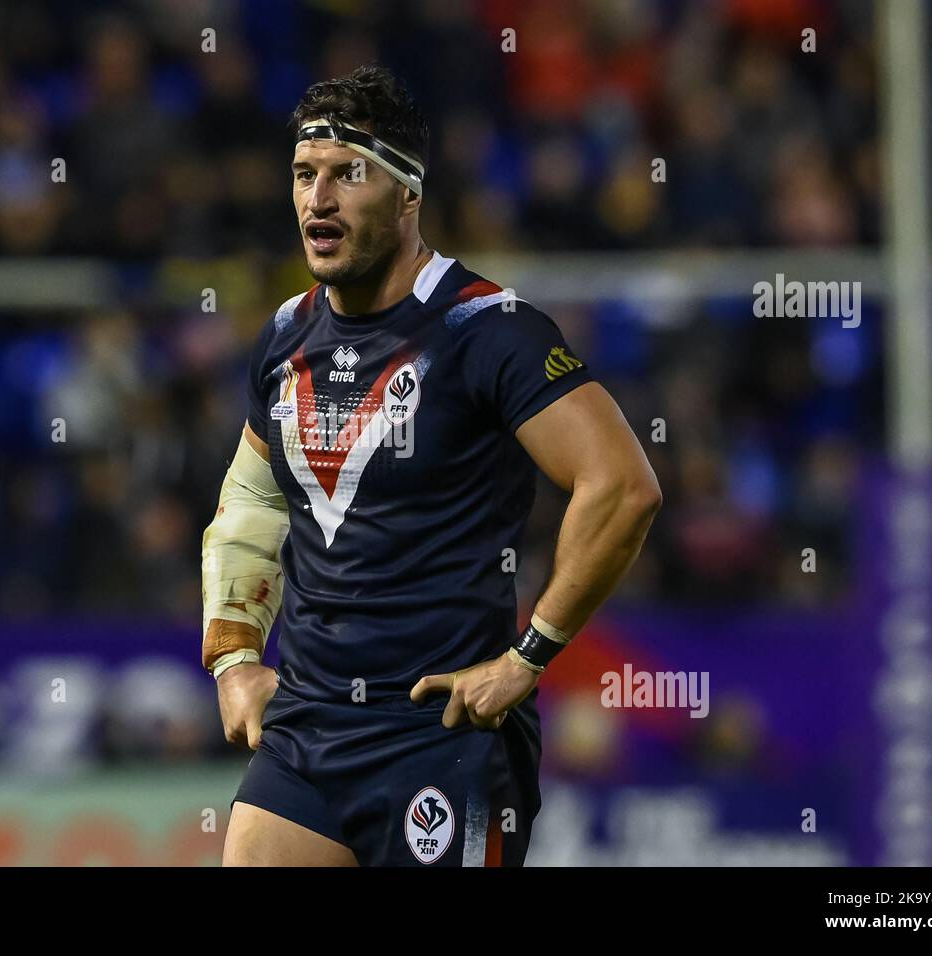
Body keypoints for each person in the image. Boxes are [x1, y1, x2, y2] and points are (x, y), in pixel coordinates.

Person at [201, 64, 661, 866]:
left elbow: (622, 488)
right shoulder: (285, 336)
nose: (319, 200)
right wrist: (237, 661)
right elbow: (252, 502)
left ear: (408, 193)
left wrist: (529, 658)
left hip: (444, 735)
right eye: (306, 175)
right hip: (306, 730)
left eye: (350, 174)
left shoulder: (489, 329)